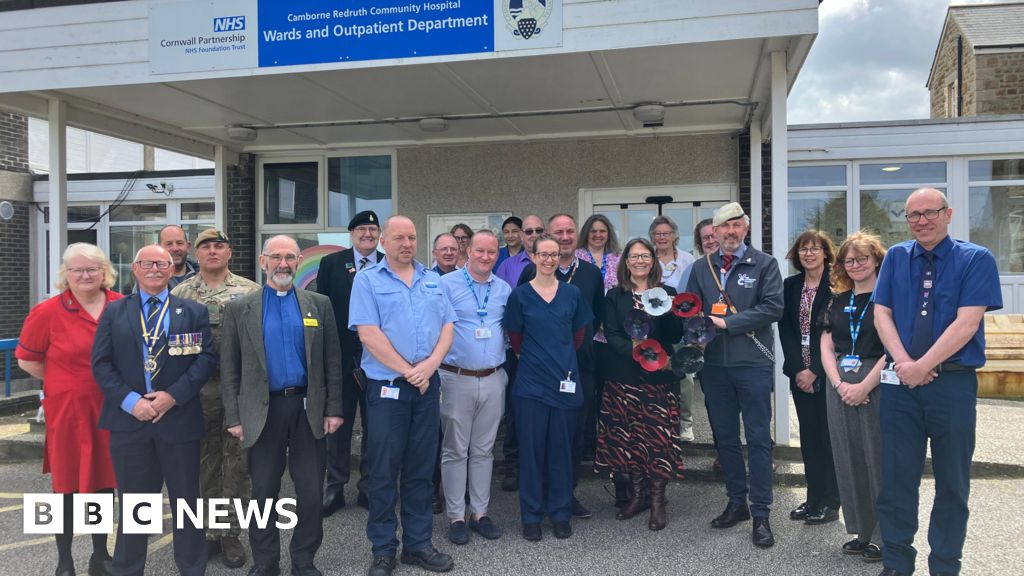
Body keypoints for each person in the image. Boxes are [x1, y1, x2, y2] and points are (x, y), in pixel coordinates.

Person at [873, 188, 1002, 576]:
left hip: (952, 385)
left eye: (929, 213)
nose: (921, 221)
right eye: (913, 215)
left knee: (952, 483)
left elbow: (967, 322)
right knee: (896, 480)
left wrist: (922, 365)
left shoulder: (976, 258)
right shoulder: (896, 257)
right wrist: (903, 363)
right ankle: (896, 563)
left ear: (948, 214)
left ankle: (945, 565)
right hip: (901, 388)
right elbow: (882, 314)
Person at [220, 234, 343, 576]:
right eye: (276, 257)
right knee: (263, 493)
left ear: (299, 261)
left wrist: (334, 408)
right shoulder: (239, 309)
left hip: (307, 409)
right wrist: (234, 416)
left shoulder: (319, 304)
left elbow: (332, 361)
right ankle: (266, 562)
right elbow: (230, 368)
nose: (283, 264)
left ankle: (303, 560)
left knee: (309, 492)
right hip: (263, 411)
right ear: (263, 262)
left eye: (290, 257)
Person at [91, 244, 216, 576]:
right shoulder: (114, 312)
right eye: (148, 263)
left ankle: (192, 568)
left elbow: (204, 360)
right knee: (134, 505)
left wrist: (172, 397)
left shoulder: (192, 312)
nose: (155, 269)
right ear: (135, 268)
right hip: (130, 424)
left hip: (178, 421)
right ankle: (128, 569)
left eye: (163, 264)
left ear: (172, 269)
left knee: (187, 504)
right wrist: (133, 402)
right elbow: (101, 364)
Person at [349, 215, 457, 576]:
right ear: (383, 241)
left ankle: (418, 544)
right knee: (383, 470)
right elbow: (369, 334)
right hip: (388, 388)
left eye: (411, 237)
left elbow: (447, 326)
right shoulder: (366, 281)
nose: (407, 244)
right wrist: (408, 370)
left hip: (427, 387)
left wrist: (429, 367)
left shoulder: (432, 279)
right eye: (399, 238)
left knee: (420, 469)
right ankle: (383, 549)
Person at [17, 243, 121, 576]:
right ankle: (64, 559)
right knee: (67, 486)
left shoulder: (121, 306)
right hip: (69, 412)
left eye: (92, 268)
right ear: (65, 274)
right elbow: (27, 360)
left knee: (104, 483)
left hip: (111, 408)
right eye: (77, 269)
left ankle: (100, 554)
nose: (85, 275)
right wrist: (65, 381)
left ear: (105, 271)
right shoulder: (47, 312)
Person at [685, 202, 783, 549]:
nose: (729, 232)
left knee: (757, 438)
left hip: (752, 363)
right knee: (725, 438)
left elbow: (773, 307)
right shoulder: (701, 267)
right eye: (723, 227)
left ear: (746, 228)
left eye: (736, 226)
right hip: (714, 366)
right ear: (715, 232)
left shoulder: (765, 264)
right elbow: (691, 310)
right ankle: (736, 502)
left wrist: (727, 323)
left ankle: (761, 513)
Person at [171, 228, 260, 569]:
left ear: (229, 252)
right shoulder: (181, 293)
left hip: (238, 389)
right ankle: (206, 531)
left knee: (237, 460)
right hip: (198, 389)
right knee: (204, 460)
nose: (212, 251)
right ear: (196, 253)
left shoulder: (251, 291)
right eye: (205, 246)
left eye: (219, 246)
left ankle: (230, 532)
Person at [504, 233, 593, 542]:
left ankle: (559, 512)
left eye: (554, 254)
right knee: (531, 451)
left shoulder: (572, 294)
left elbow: (579, 334)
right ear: (534, 257)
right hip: (531, 383)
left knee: (561, 450)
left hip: (565, 381)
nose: (549, 259)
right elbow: (515, 338)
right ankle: (531, 515)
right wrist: (539, 357)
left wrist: (560, 355)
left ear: (560, 258)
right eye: (543, 254)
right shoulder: (520, 296)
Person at [595, 237, 685, 531]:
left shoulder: (667, 292)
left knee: (657, 441)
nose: (640, 261)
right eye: (634, 256)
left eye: (645, 256)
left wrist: (669, 310)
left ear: (652, 261)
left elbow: (672, 335)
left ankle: (657, 500)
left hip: (658, 380)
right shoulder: (615, 296)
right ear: (626, 262)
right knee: (630, 440)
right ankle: (637, 496)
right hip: (624, 377)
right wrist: (637, 353)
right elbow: (611, 332)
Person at [517, 213, 604, 519]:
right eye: (558, 233)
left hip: (577, 370)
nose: (565, 237)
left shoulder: (591, 276)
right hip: (537, 373)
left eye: (569, 232)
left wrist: (565, 351)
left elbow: (590, 324)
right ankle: (537, 500)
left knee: (571, 439)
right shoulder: (527, 276)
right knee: (537, 439)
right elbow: (517, 332)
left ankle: (565, 497)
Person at [438, 230, 511, 545]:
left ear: (497, 254)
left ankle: (479, 513)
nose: (485, 257)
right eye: (479, 251)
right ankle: (456, 516)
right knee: (455, 449)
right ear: (468, 251)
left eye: (491, 252)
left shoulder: (504, 289)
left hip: (494, 377)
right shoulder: (446, 285)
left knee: (484, 450)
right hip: (456, 377)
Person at [820, 231, 889, 564]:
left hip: (876, 384)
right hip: (840, 386)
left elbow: (893, 349)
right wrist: (837, 384)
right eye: (849, 260)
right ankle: (862, 531)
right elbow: (826, 345)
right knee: (847, 458)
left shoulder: (889, 298)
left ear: (876, 259)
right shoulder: (837, 300)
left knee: (877, 458)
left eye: (863, 258)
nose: (856, 264)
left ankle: (884, 535)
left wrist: (864, 386)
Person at [317, 210, 383, 515]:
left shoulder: (388, 262)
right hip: (342, 358)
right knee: (338, 424)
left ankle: (369, 486)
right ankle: (335, 486)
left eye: (373, 229)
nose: (368, 234)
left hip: (379, 358)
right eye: (362, 229)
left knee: (376, 425)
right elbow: (324, 311)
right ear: (352, 234)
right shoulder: (332, 263)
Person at [780, 230, 841, 526]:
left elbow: (838, 331)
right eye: (804, 249)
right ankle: (813, 496)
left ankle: (831, 502)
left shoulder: (838, 286)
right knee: (809, 438)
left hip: (828, 372)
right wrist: (798, 369)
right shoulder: (790, 286)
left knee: (828, 438)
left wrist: (815, 368)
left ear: (826, 253)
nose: (809, 253)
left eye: (816, 248)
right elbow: (787, 330)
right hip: (799, 372)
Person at [495, 213, 544, 491]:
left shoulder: (552, 263)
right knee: (515, 407)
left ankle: (538, 464)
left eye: (538, 230)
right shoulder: (507, 266)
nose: (532, 235)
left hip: (546, 350)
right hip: (517, 350)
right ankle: (513, 464)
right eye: (528, 231)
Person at [650, 215, 695, 293]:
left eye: (666, 233)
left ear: (674, 236)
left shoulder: (688, 259)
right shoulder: (647, 259)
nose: (661, 237)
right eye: (657, 234)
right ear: (652, 237)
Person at [496, 214, 542, 289]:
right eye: (528, 231)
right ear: (522, 235)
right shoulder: (505, 264)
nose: (534, 235)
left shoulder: (555, 260)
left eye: (539, 230)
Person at [159, 224, 198, 289]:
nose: (175, 249)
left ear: (188, 247)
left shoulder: (203, 276)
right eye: (169, 244)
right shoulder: (149, 278)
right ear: (159, 248)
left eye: (179, 243)